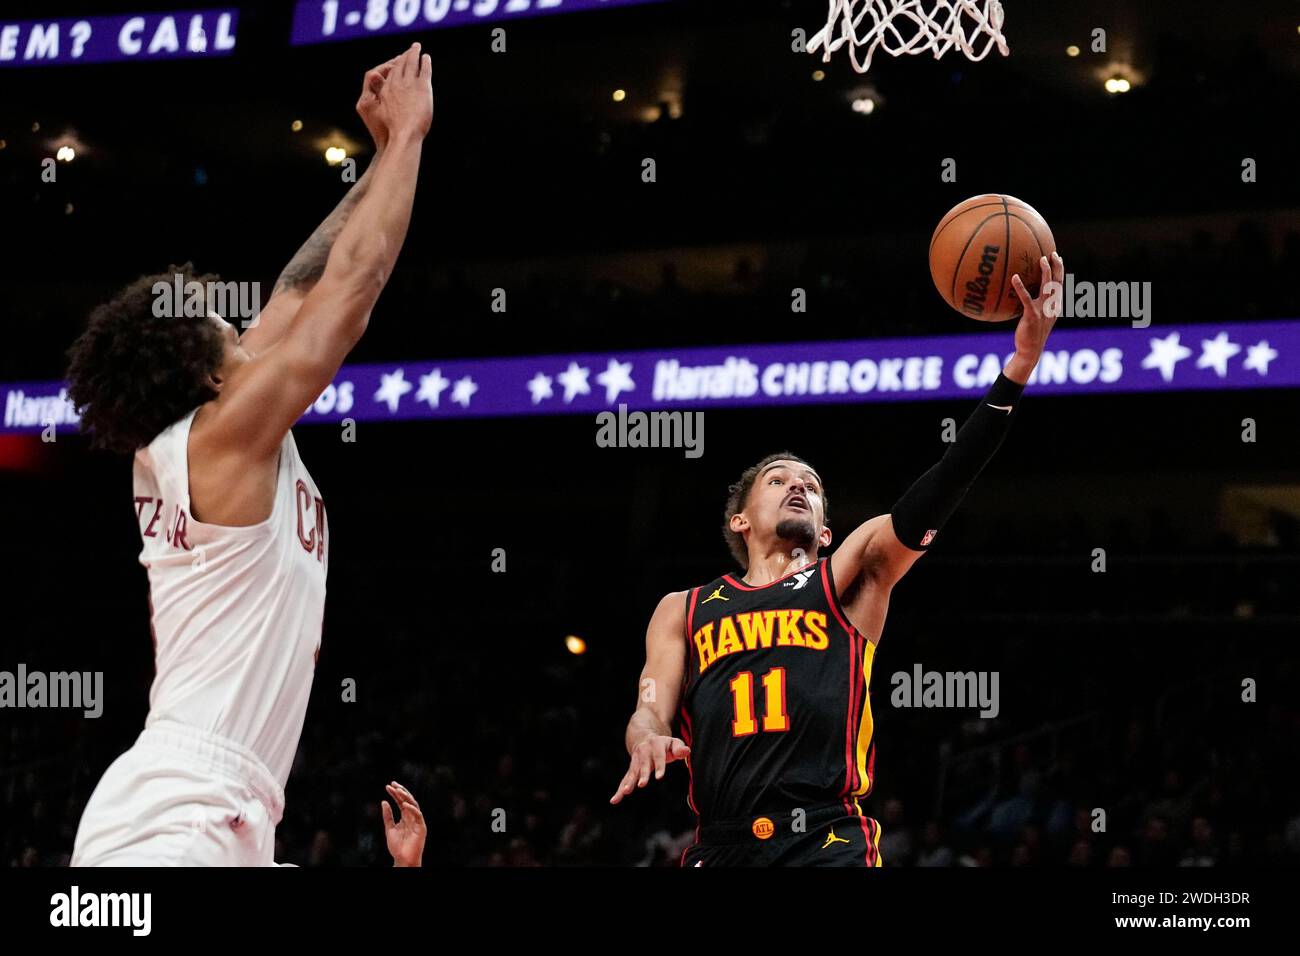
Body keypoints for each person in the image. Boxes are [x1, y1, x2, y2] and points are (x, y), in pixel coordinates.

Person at [65, 45, 434, 866]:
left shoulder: (223, 425)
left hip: (224, 806)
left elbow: (303, 285)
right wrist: (409, 136)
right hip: (174, 816)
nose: (237, 317)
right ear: (200, 367)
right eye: (215, 317)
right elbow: (352, 290)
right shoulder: (219, 436)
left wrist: (376, 163)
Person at [611, 254, 1066, 866]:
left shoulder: (850, 577)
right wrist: (645, 737)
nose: (798, 486)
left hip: (828, 841)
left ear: (827, 532)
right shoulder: (683, 609)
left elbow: (942, 484)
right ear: (738, 520)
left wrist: (1018, 369)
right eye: (777, 480)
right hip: (722, 847)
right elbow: (650, 706)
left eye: (812, 484)